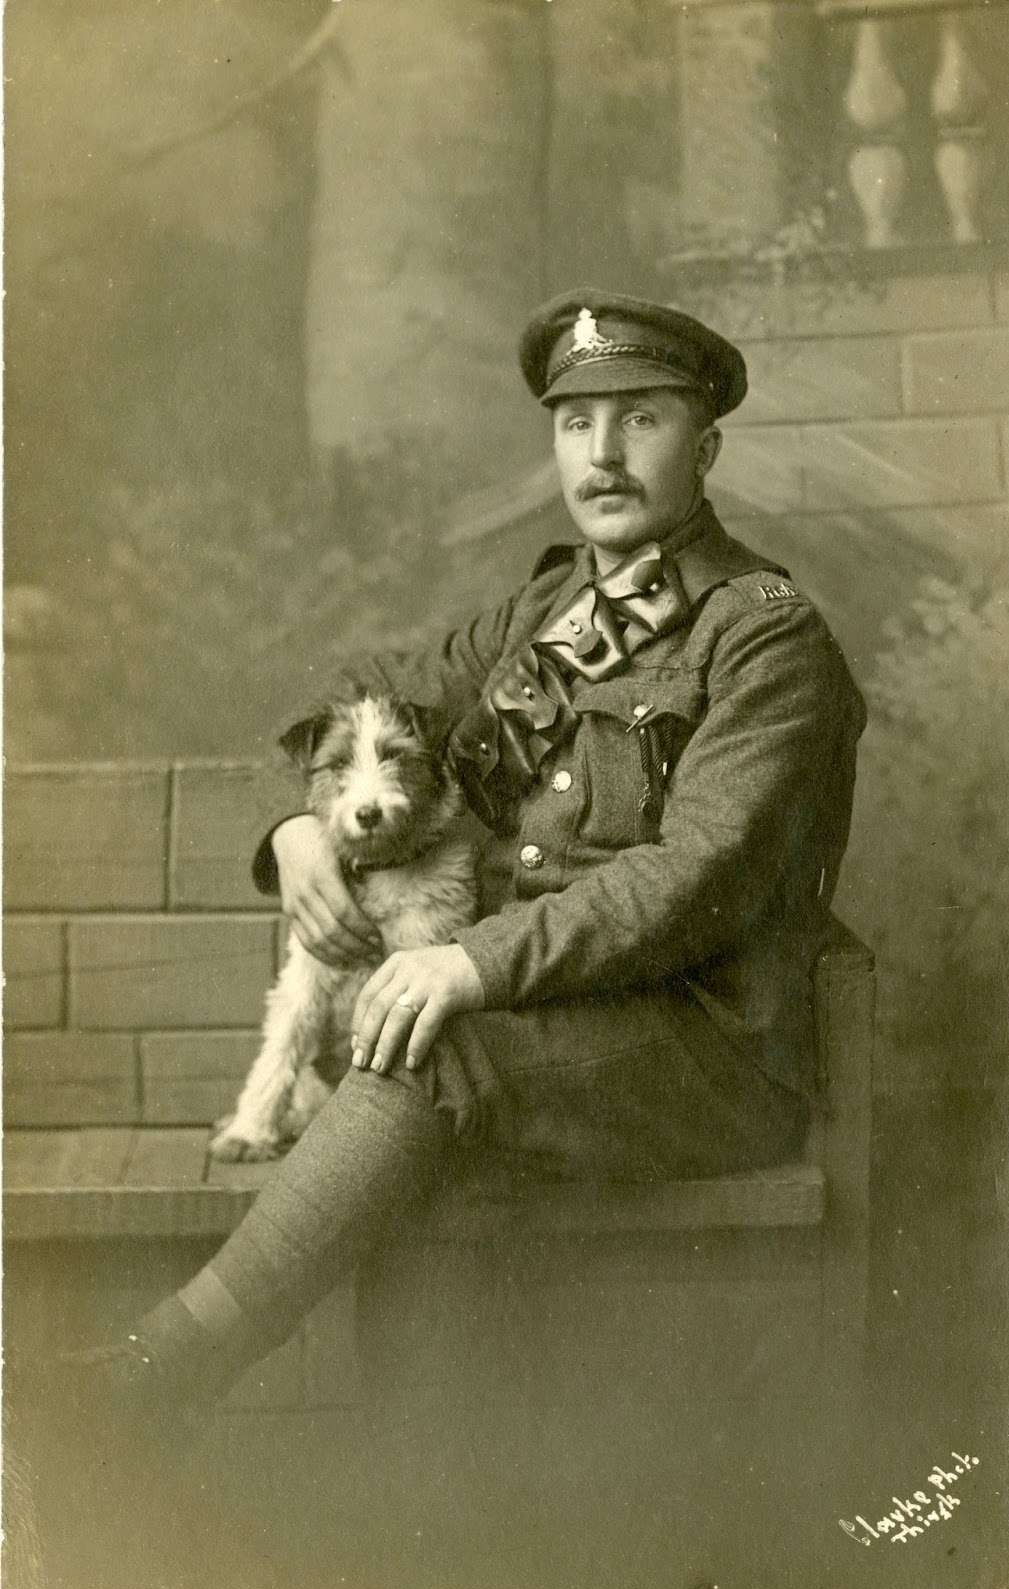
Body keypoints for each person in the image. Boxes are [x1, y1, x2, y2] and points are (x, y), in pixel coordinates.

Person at [70, 288, 867, 1407]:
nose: (601, 453)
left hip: (705, 1046)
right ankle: (423, 1505)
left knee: (428, 1050)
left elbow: (699, 877)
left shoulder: (764, 633)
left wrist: (472, 963)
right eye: (574, 422)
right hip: (537, 1029)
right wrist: (296, 826)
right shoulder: (538, 612)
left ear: (708, 444)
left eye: (640, 419)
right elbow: (353, 700)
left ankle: (150, 1383)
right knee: (421, 1101)